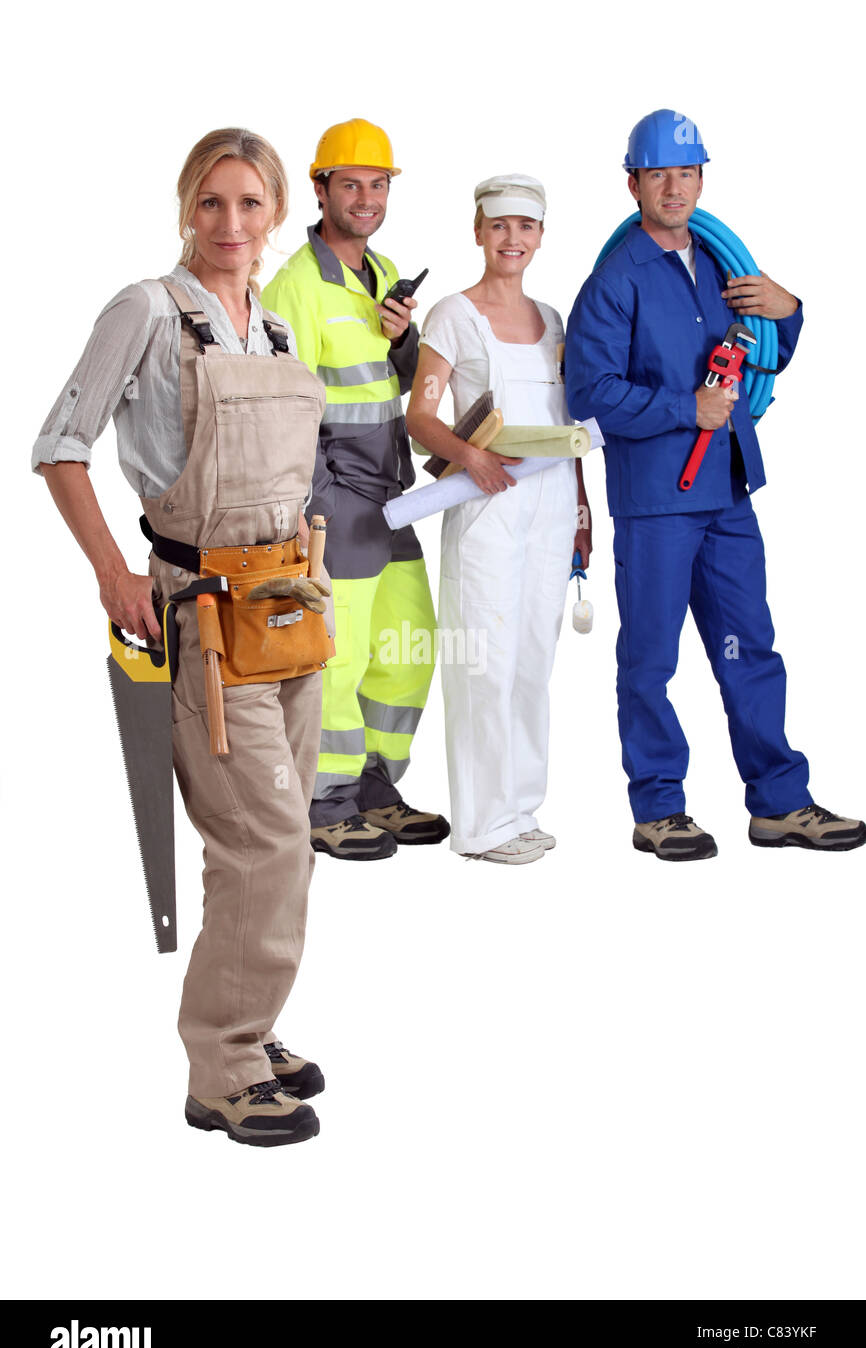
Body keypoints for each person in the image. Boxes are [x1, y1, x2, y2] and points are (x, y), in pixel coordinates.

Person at [33, 128, 331, 1146]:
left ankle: (250, 1020)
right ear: (184, 210)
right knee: (265, 838)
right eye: (212, 203)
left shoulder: (278, 334)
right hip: (198, 608)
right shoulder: (146, 312)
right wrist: (114, 571)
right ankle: (223, 1065)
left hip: (289, 605)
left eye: (250, 205)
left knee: (277, 840)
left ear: (275, 214)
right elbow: (59, 446)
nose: (231, 225)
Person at [566, 109, 864, 859]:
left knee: (749, 647)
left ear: (702, 178)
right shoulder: (614, 280)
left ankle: (780, 803)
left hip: (726, 491)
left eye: (687, 172)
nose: (674, 186)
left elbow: (759, 361)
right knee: (652, 661)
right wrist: (681, 407)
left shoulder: (723, 266)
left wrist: (789, 311)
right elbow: (588, 393)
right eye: (659, 173)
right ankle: (659, 809)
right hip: (659, 501)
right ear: (633, 182)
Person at [261, 118, 449, 862]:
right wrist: (317, 510)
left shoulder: (382, 271)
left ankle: (375, 787)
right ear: (320, 189)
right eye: (351, 184)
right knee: (339, 658)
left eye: (378, 185)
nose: (366, 198)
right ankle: (325, 801)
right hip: (338, 503)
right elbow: (284, 412)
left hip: (394, 496)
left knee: (410, 645)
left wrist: (402, 340)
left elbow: (392, 384)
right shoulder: (294, 287)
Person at [406, 175, 592, 864]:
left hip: (548, 508)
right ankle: (482, 826)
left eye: (526, 227)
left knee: (532, 664)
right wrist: (468, 458)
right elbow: (421, 416)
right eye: (499, 226)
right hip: (485, 508)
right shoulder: (455, 314)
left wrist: (581, 510)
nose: (513, 239)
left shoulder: (555, 320)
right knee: (484, 661)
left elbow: (571, 428)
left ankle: (521, 809)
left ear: (541, 236)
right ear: (478, 232)